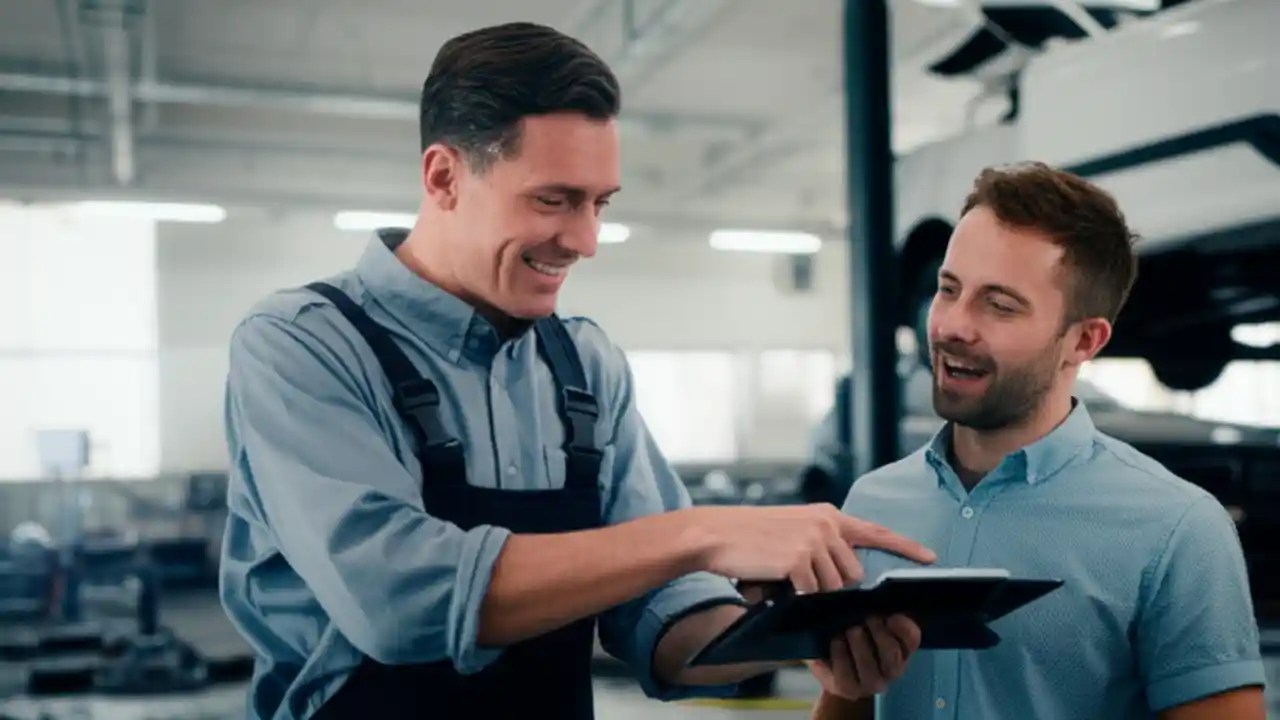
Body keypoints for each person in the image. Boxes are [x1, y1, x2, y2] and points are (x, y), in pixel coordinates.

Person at [218, 21, 935, 720]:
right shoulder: (302, 346)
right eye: (553, 200)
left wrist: (808, 634)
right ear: (444, 177)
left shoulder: (584, 366)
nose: (585, 240)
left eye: (599, 204)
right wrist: (700, 534)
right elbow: (398, 600)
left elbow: (663, 613)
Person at [812, 162, 1268, 720]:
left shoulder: (1178, 530)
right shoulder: (872, 505)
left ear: (1084, 341)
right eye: (948, 289)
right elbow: (850, 703)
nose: (953, 325)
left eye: (999, 305)